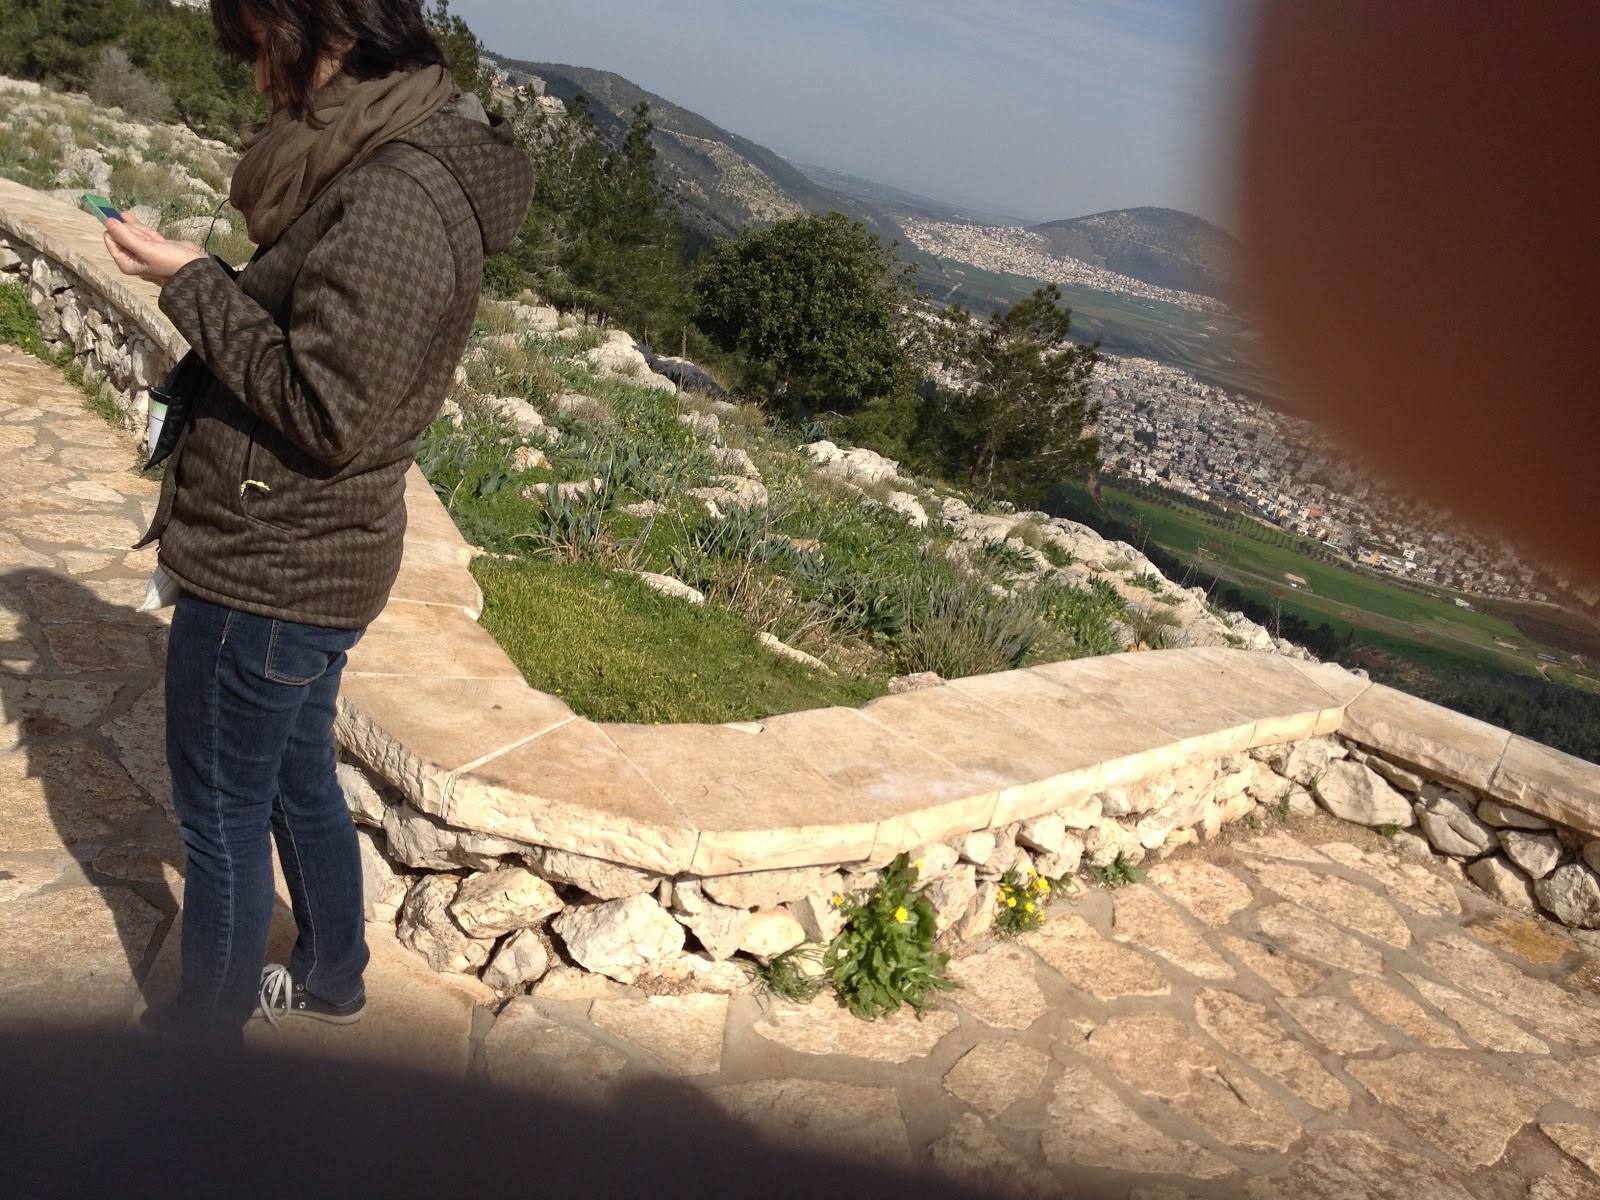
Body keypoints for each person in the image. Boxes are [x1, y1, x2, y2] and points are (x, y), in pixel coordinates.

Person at [101, 0, 533, 1038]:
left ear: (316, 29)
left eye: (259, 48)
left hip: (271, 565)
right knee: (297, 772)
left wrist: (195, 285)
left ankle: (196, 1053)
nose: (256, 79)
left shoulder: (395, 195)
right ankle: (335, 972)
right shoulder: (388, 151)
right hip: (311, 556)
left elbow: (327, 411)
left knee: (219, 822)